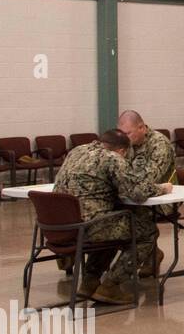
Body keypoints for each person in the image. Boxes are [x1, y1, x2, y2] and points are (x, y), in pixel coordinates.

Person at [53, 130, 173, 305]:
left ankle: (89, 282)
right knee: (147, 232)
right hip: (89, 227)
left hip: (62, 227)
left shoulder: (77, 151)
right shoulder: (112, 158)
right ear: (122, 151)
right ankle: (111, 285)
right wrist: (162, 188)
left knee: (112, 226)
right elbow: (137, 193)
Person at [118, 109, 176, 279]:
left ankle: (147, 254)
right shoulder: (126, 145)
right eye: (122, 133)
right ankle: (149, 253)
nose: (124, 137)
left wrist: (123, 181)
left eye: (128, 133)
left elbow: (148, 179)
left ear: (142, 128)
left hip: (161, 199)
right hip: (133, 197)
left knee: (131, 217)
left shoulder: (159, 144)